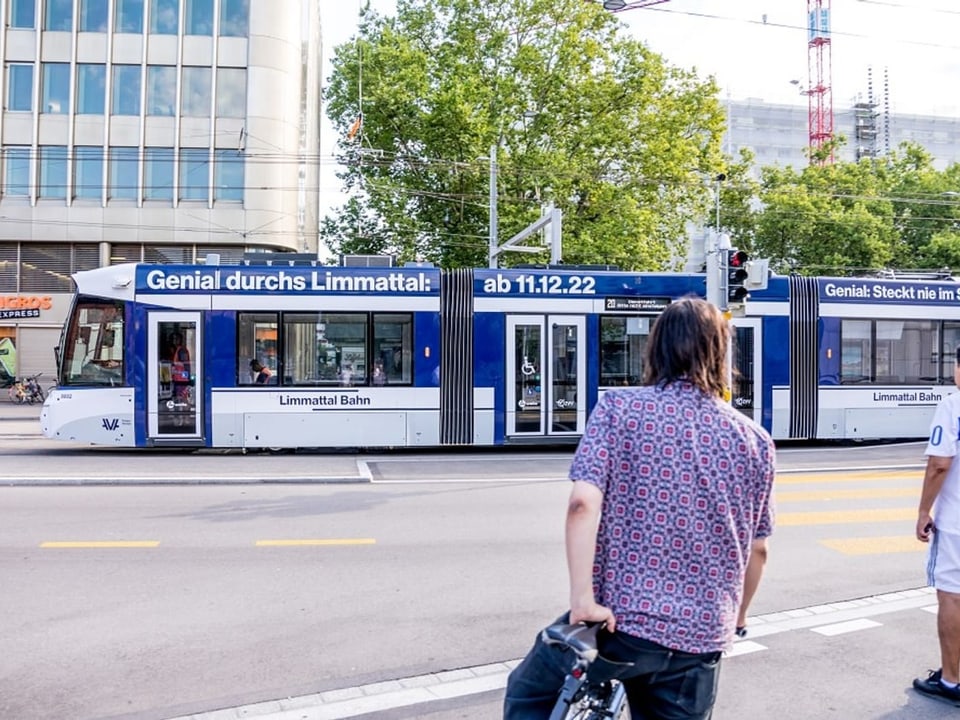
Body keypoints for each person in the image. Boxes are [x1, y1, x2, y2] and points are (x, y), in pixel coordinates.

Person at [504, 296, 776, 720]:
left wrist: (583, 600)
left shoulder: (619, 409)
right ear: (721, 354)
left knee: (529, 693)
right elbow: (758, 549)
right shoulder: (755, 439)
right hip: (702, 633)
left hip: (622, 623)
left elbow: (582, 504)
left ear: (656, 348)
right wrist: (734, 618)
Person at [913, 345, 960, 705]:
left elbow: (939, 465)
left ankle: (951, 680)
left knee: (951, 594)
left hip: (957, 523)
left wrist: (923, 511)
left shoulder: (953, 405)